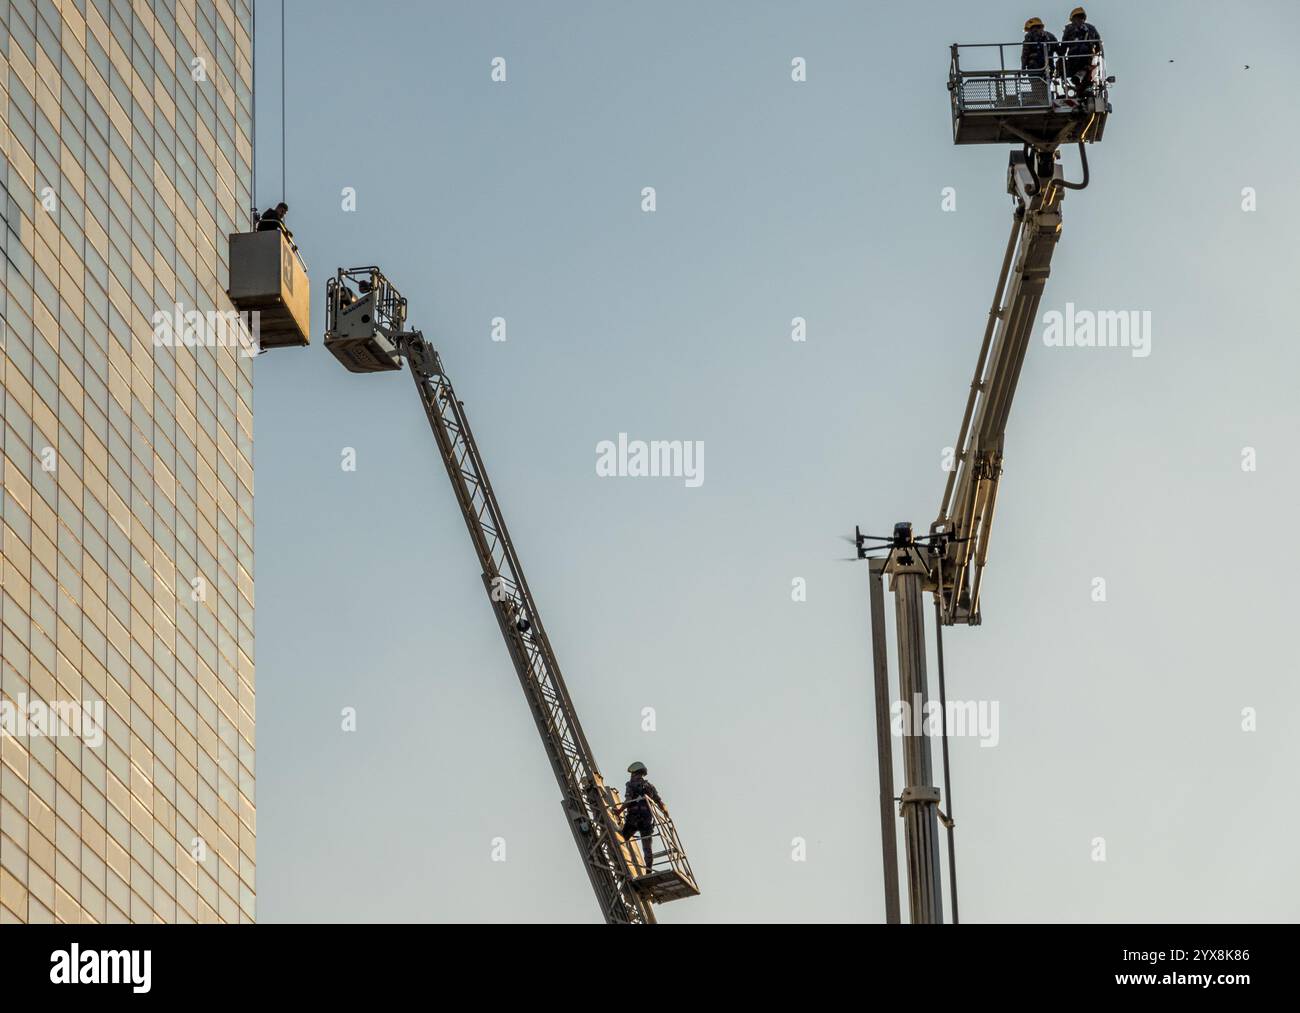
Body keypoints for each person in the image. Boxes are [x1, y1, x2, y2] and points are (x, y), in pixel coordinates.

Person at [617, 761, 666, 873]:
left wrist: (619, 811)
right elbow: (660, 803)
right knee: (647, 848)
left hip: (633, 819)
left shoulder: (630, 784)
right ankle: (648, 871)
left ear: (635, 773)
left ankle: (622, 863)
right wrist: (666, 815)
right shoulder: (650, 786)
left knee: (621, 840)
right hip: (646, 820)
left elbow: (628, 800)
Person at [1060, 6, 1101, 97]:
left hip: (1074, 60)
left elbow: (1063, 47)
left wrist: (1061, 59)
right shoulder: (1091, 28)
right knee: (1088, 70)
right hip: (1084, 59)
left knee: (1084, 72)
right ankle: (1082, 85)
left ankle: (1080, 84)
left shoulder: (1069, 28)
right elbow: (1099, 45)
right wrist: (1094, 54)